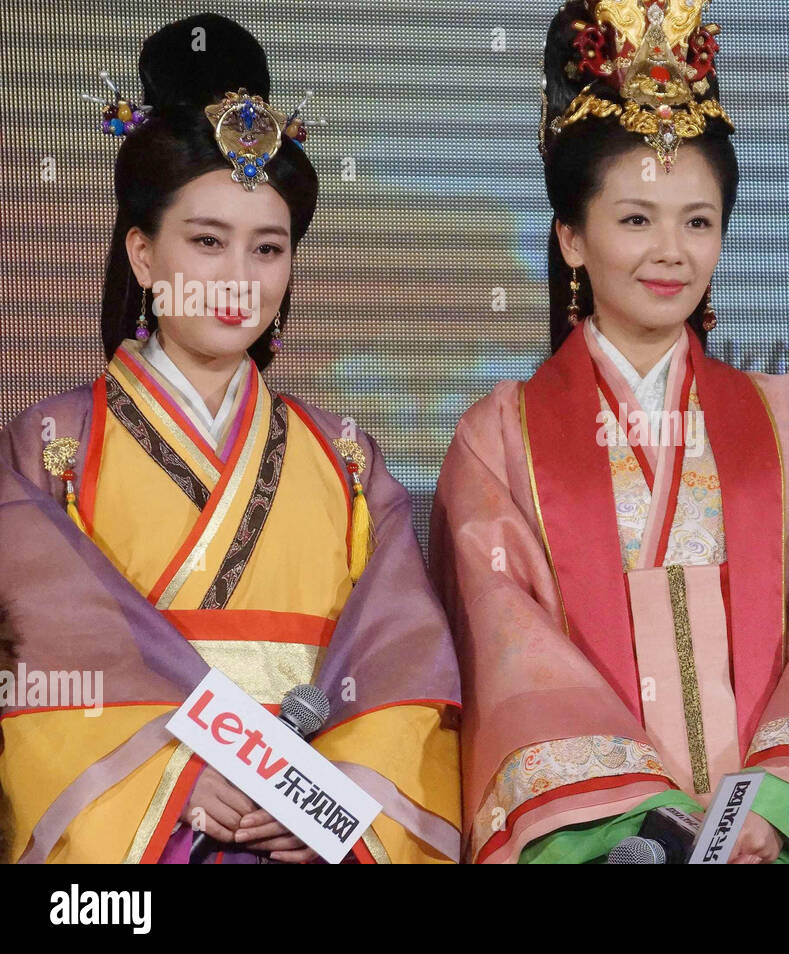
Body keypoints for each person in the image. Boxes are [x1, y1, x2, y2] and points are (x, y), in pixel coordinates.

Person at [430, 0, 789, 864]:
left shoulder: (786, 421)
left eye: (698, 221)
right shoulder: (498, 439)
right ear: (572, 238)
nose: (672, 253)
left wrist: (776, 809)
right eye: (635, 220)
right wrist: (647, 822)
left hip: (773, 833)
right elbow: (515, 662)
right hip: (606, 843)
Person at [0, 13, 460, 863]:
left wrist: (326, 799)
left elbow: (403, 665)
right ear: (143, 256)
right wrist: (174, 774)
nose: (238, 282)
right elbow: (44, 663)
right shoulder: (49, 450)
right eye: (206, 242)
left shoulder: (347, 462)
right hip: (144, 834)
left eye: (268, 249)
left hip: (308, 828)